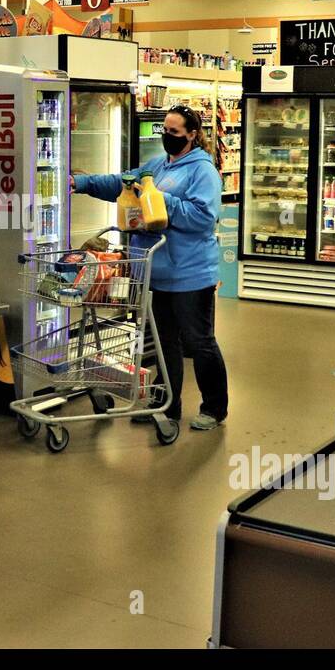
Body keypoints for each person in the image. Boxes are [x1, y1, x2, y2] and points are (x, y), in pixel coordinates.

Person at [71, 104, 228, 431]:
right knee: (164, 342)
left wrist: (159, 199)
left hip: (190, 274)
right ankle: (167, 404)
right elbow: (121, 184)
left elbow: (202, 218)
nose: (167, 137)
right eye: (164, 131)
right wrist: (82, 183)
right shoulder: (157, 165)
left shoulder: (203, 171)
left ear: (191, 134)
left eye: (174, 132)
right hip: (156, 272)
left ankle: (214, 408)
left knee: (199, 342)